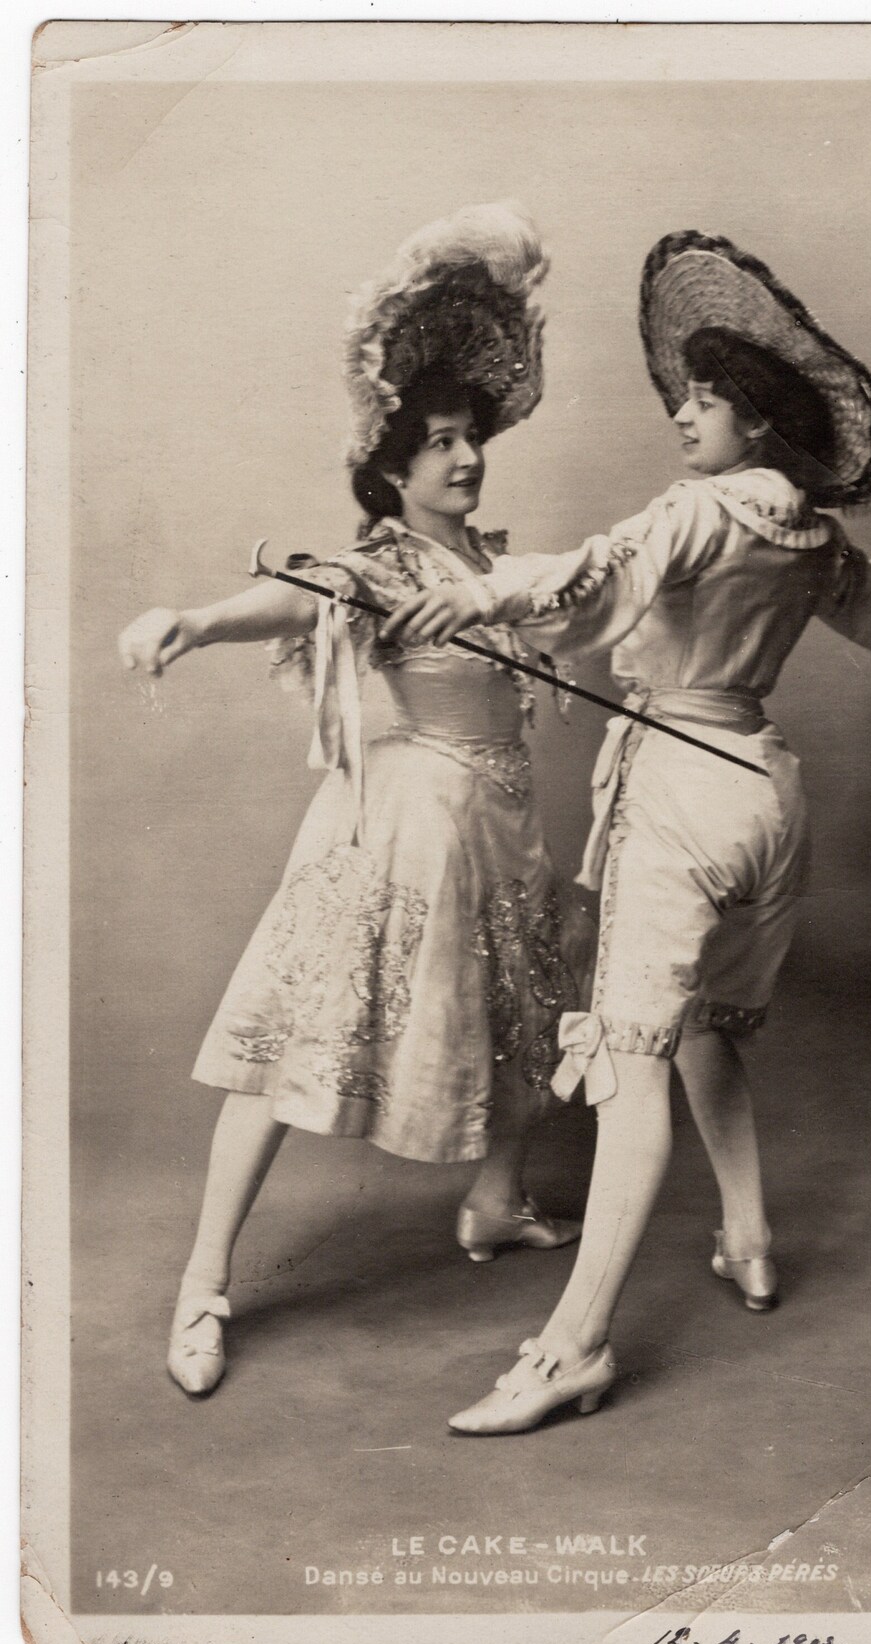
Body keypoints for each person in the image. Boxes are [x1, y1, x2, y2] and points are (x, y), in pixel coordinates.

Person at [385, 228, 871, 1433]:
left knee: (628, 1066)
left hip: (680, 796)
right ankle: (747, 1239)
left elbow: (598, 568)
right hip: (770, 797)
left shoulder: (697, 511)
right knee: (697, 1035)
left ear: (753, 425)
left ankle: (574, 1347)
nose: (685, 416)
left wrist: (478, 591)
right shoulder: (813, 535)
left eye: (706, 402)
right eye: (686, 397)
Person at [118, 205, 587, 1398]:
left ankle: (494, 1201)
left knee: (527, 1008)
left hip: (502, 827)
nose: (464, 457)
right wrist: (198, 621)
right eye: (437, 442)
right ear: (393, 464)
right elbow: (296, 598)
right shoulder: (378, 564)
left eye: (469, 436)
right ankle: (204, 1287)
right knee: (294, 1054)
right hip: (402, 837)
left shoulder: (500, 563)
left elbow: (591, 600)